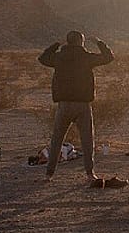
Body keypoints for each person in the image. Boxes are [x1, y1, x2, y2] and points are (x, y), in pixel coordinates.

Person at [38, 31, 114, 183]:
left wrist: (56, 44)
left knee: (57, 140)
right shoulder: (87, 58)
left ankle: (49, 174)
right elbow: (109, 57)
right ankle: (90, 173)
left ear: (67, 42)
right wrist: (99, 42)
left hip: (64, 104)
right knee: (87, 141)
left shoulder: (59, 57)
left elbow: (42, 58)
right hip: (82, 105)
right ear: (81, 42)